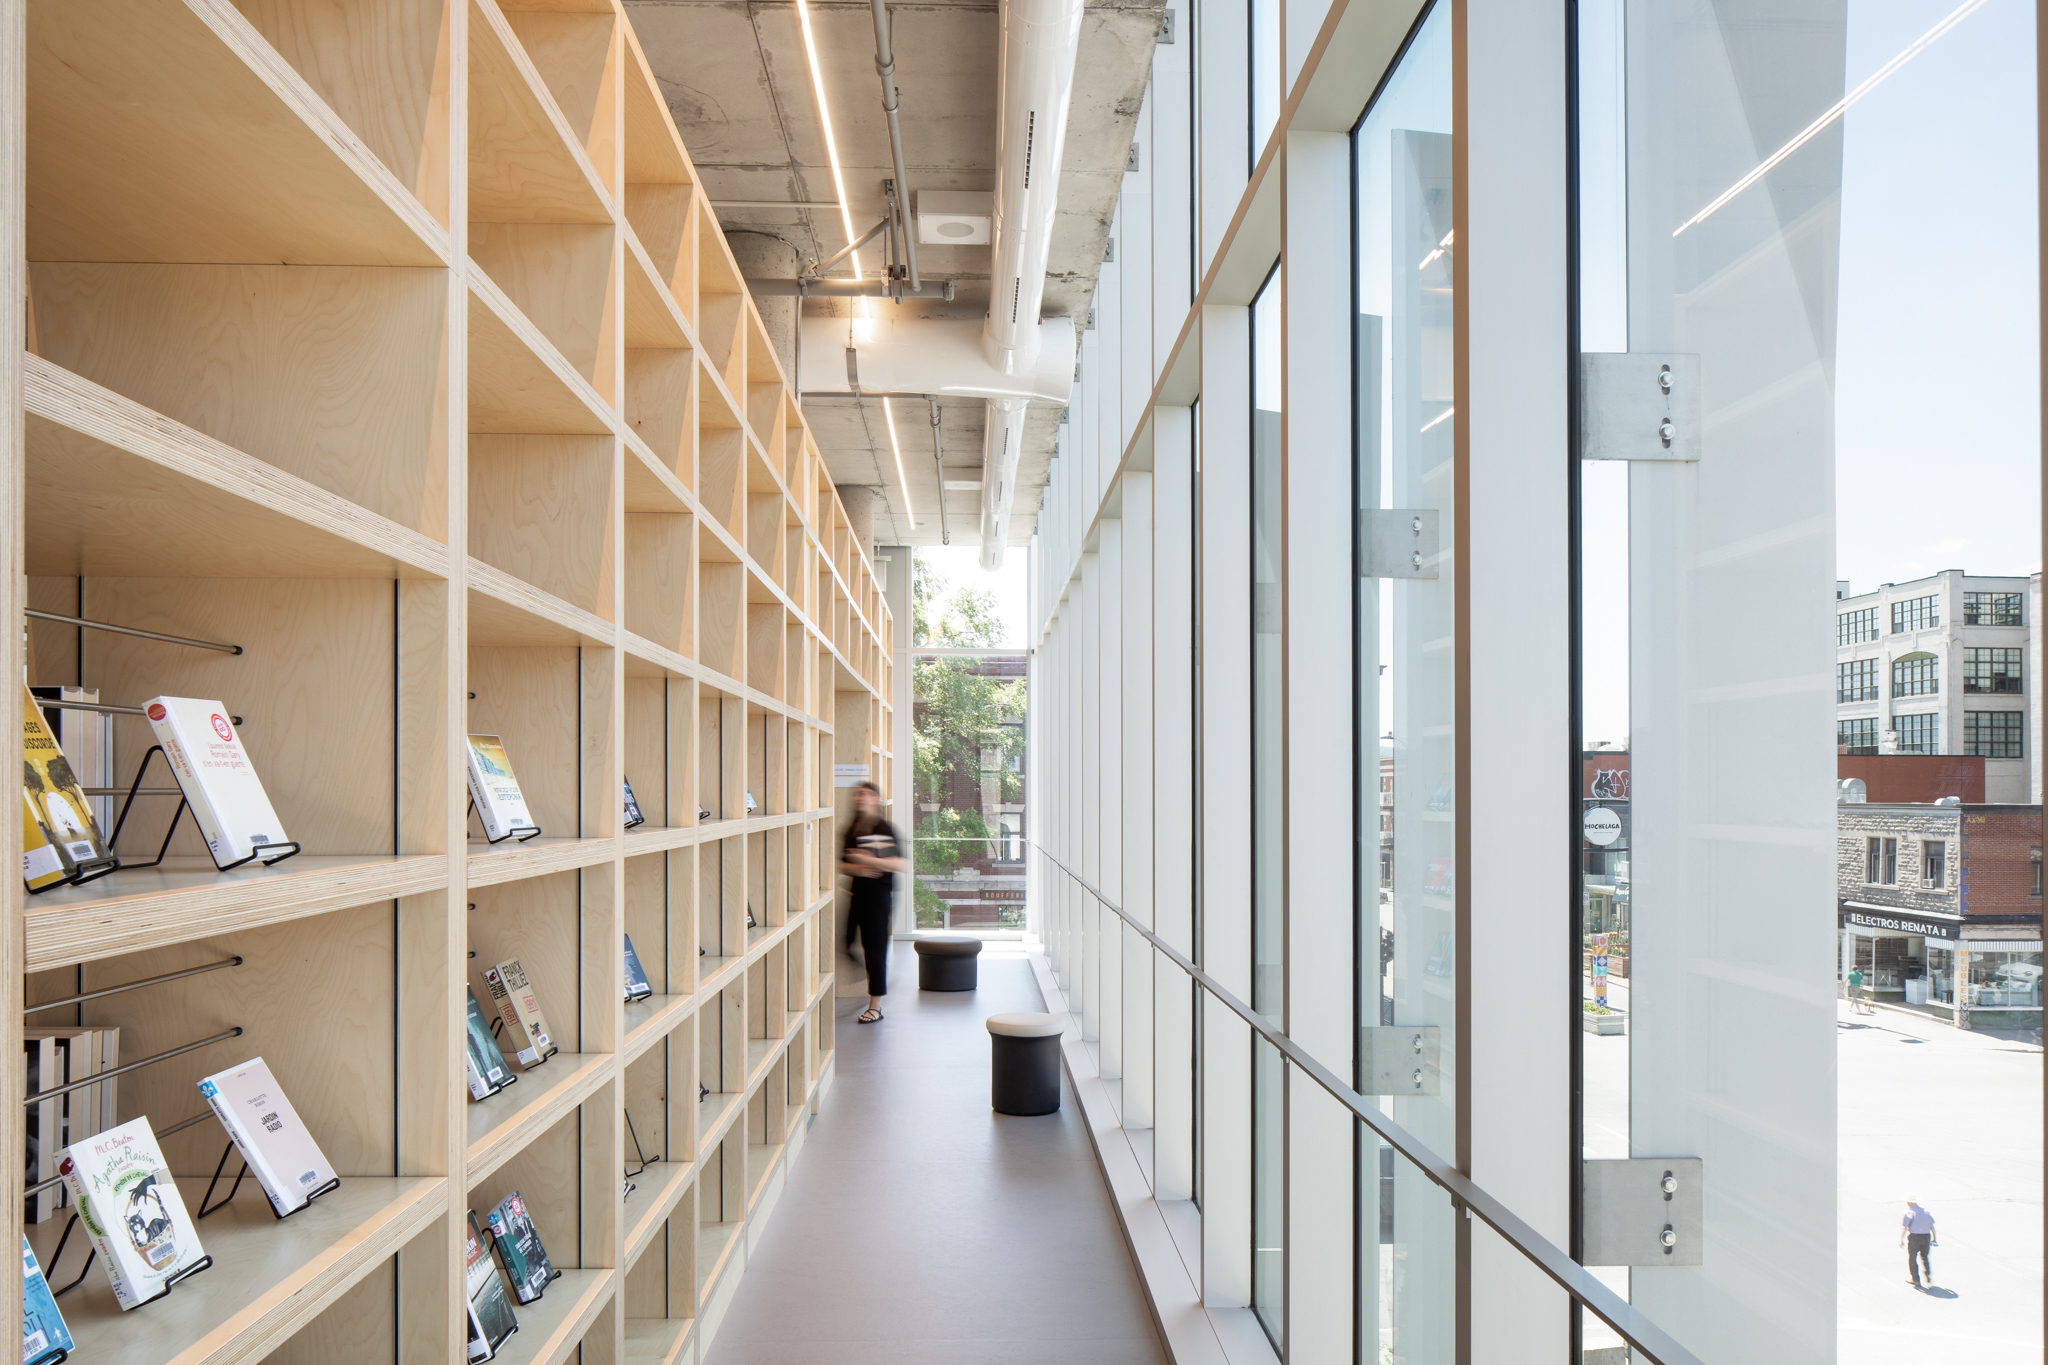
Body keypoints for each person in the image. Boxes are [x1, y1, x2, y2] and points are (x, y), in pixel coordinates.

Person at [840, 782, 905, 1024]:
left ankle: (875, 1006)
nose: (861, 799)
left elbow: (898, 864)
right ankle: (874, 972)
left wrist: (870, 861)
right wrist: (859, 866)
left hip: (878, 899)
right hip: (857, 895)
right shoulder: (853, 828)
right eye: (858, 795)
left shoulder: (883, 828)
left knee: (874, 951)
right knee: (845, 942)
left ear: (876, 799)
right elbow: (843, 864)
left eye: (867, 795)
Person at [1900, 1197, 1937, 1288]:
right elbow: (1931, 1226)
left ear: (1908, 1202)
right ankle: (1927, 1275)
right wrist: (1934, 1238)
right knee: (1924, 1257)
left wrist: (1901, 1239)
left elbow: (1905, 1227)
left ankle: (1915, 1279)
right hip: (1926, 1236)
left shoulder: (1909, 1213)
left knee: (1912, 1257)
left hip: (1915, 1237)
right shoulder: (1926, 1212)